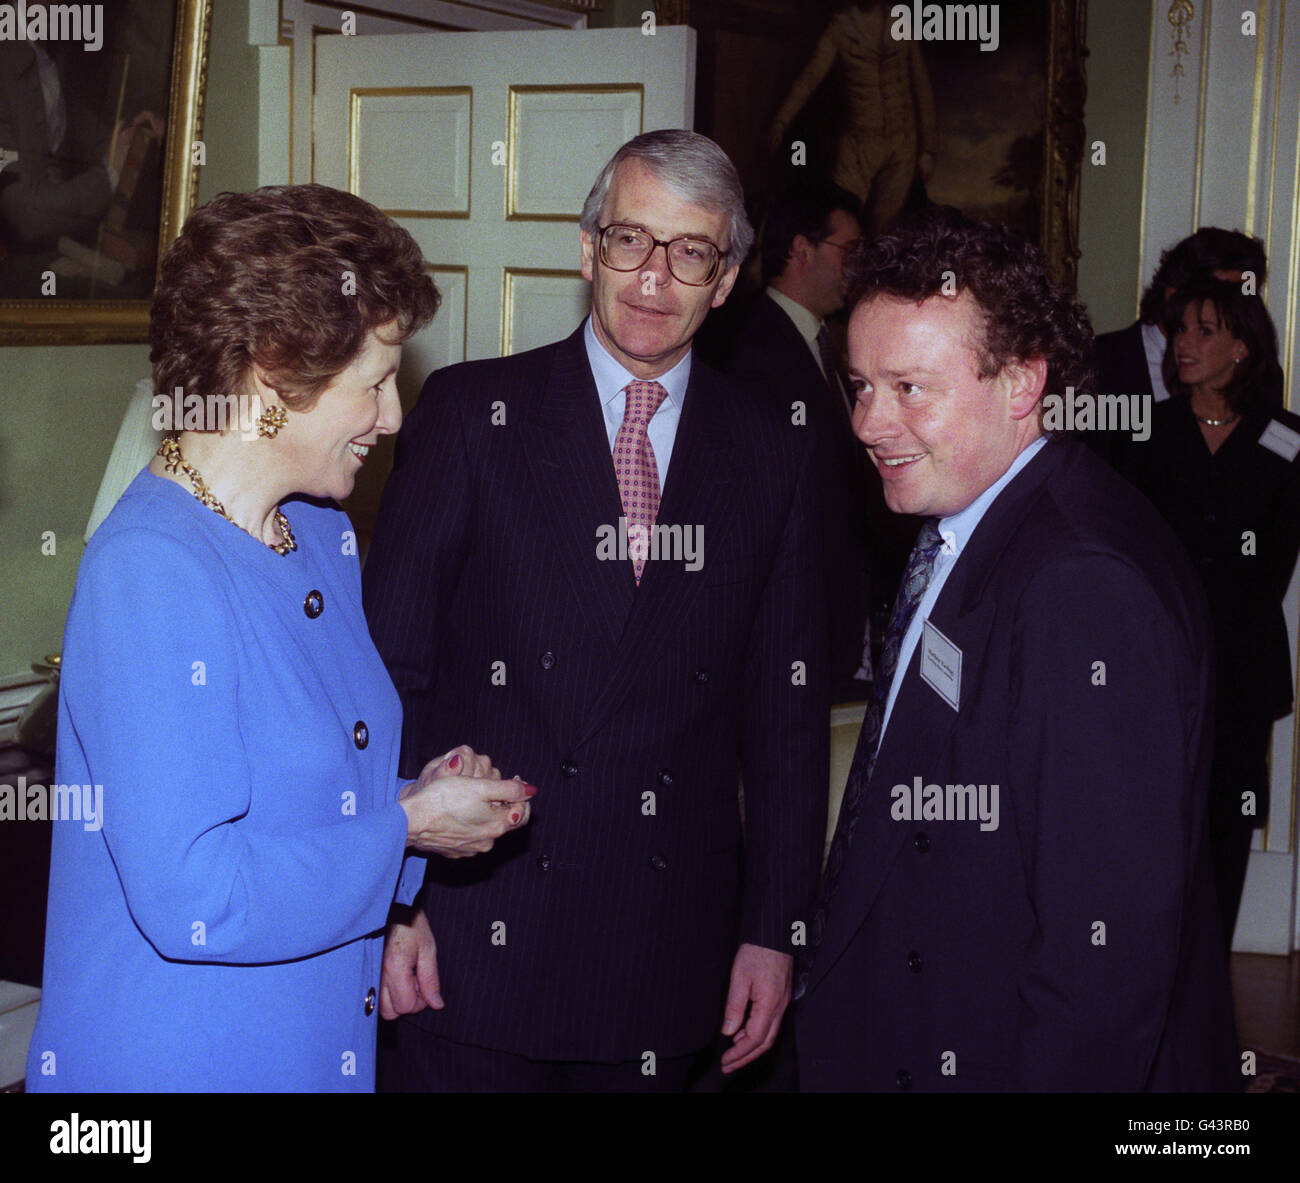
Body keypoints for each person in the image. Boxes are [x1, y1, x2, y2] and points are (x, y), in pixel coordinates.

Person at [26, 184, 534, 1093]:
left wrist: (424, 795)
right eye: (373, 383)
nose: (393, 417)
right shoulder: (152, 569)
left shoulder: (318, 536)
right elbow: (199, 897)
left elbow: (304, 798)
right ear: (272, 372)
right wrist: (408, 828)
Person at [364, 129, 828, 1092]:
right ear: (587, 249)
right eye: (630, 241)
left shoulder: (774, 452)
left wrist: (772, 932)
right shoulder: (469, 416)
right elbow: (387, 673)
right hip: (470, 937)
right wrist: (393, 904)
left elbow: (785, 722)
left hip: (663, 953)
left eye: (690, 252)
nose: (654, 278)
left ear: (728, 275)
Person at [795, 207, 1238, 1091]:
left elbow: (1100, 964)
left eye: (910, 388)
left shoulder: (1083, 585)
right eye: (860, 386)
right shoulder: (981, 520)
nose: (869, 422)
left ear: (1022, 383)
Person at [1116, 277, 1299, 947]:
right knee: (1153, 824)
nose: (1183, 342)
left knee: (1227, 823)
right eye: (1180, 328)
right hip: (1152, 667)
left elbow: (1275, 561)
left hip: (1241, 672)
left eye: (1204, 329)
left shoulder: (1286, 438)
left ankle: (1208, 992)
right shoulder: (1145, 431)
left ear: (1243, 347)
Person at [701, 181, 887, 702]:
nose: (856, 268)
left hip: (834, 620)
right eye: (848, 252)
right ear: (802, 250)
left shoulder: (824, 343)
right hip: (788, 627)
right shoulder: (750, 346)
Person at [767, 0, 937, 236]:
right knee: (843, 223)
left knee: (883, 230)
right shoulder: (841, 28)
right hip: (858, 146)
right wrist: (782, 120)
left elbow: (922, 85)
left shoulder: (901, 22)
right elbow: (811, 76)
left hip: (902, 144)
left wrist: (928, 149)